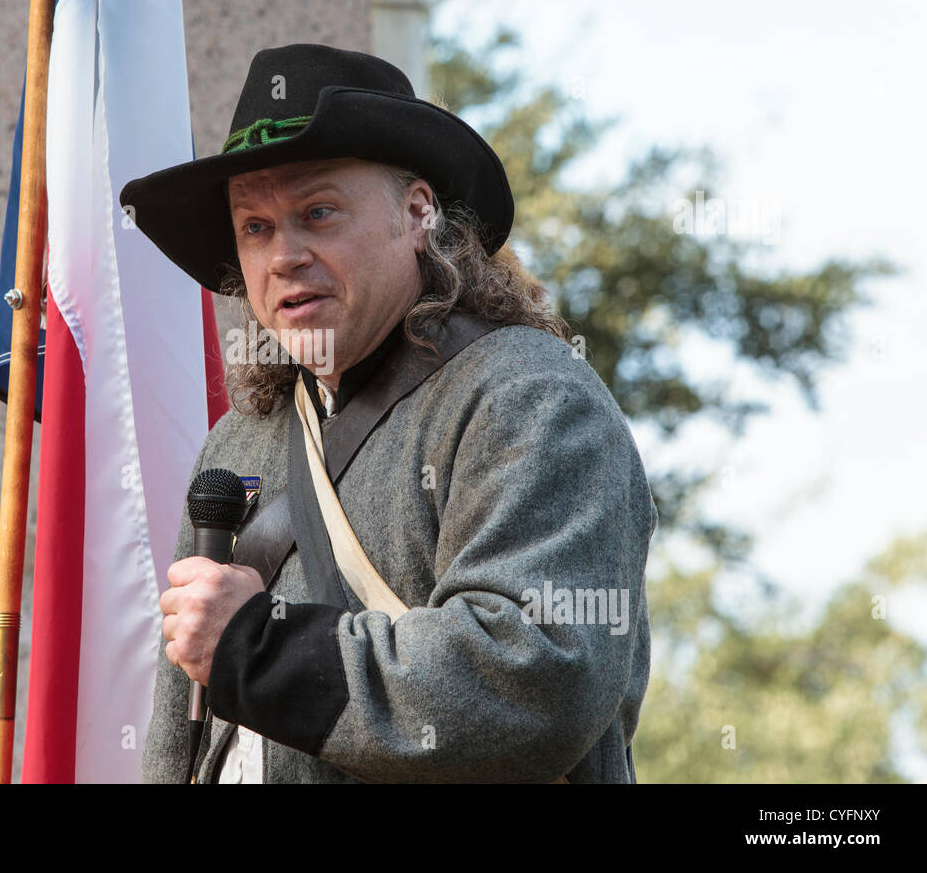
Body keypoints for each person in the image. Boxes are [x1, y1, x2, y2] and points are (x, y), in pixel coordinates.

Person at [118, 43, 658, 783]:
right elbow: (185, 734)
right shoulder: (238, 442)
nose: (284, 256)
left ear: (417, 214)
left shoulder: (529, 397)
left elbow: (535, 673)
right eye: (256, 227)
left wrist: (262, 650)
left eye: (318, 212)